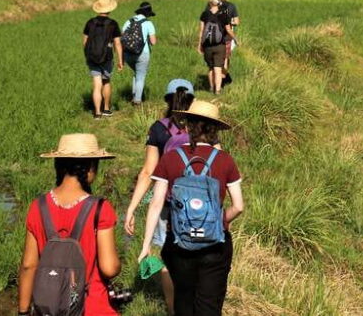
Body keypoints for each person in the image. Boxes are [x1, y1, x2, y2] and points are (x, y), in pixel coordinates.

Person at [137, 100, 244, 316]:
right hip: (216, 244)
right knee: (209, 306)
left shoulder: (171, 158)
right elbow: (239, 207)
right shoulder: (225, 161)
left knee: (184, 302)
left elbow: (156, 203)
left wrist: (146, 245)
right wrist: (219, 221)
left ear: (187, 127)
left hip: (179, 242)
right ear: (215, 130)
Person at [18, 133, 121, 316]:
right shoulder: (100, 208)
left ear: (58, 165)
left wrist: (23, 311)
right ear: (90, 168)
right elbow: (109, 267)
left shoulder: (38, 206)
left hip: (50, 307)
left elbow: (28, 265)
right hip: (92, 307)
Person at [123, 78, 195, 316]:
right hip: (197, 204)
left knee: (166, 257)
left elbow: (147, 172)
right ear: (192, 101)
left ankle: (174, 309)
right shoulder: (202, 128)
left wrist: (131, 209)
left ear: (167, 100)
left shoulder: (159, 129)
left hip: (165, 204)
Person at [83, 0, 124, 119]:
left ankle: (97, 113)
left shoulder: (90, 22)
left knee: (97, 85)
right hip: (107, 58)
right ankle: (106, 109)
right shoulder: (113, 24)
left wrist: (89, 55)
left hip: (92, 58)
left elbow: (85, 42)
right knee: (106, 82)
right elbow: (117, 44)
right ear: (109, 9)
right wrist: (120, 60)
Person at [198, 0, 237, 95]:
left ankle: (211, 87)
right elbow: (228, 30)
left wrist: (199, 45)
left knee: (211, 68)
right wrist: (235, 39)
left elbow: (201, 31)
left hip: (207, 46)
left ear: (210, 3)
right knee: (218, 68)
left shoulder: (204, 14)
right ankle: (218, 90)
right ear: (218, 3)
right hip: (220, 45)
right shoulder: (223, 15)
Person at [121, 2, 158, 106]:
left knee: (136, 74)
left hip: (128, 54)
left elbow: (122, 37)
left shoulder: (128, 21)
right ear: (148, 14)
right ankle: (137, 100)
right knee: (140, 76)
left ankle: (134, 95)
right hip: (142, 54)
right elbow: (153, 42)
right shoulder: (148, 23)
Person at [211, 0, 239, 86]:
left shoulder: (211, 5)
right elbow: (237, 22)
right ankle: (222, 80)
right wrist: (229, 21)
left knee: (214, 60)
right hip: (227, 36)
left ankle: (214, 83)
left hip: (213, 37)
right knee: (225, 59)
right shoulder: (231, 6)